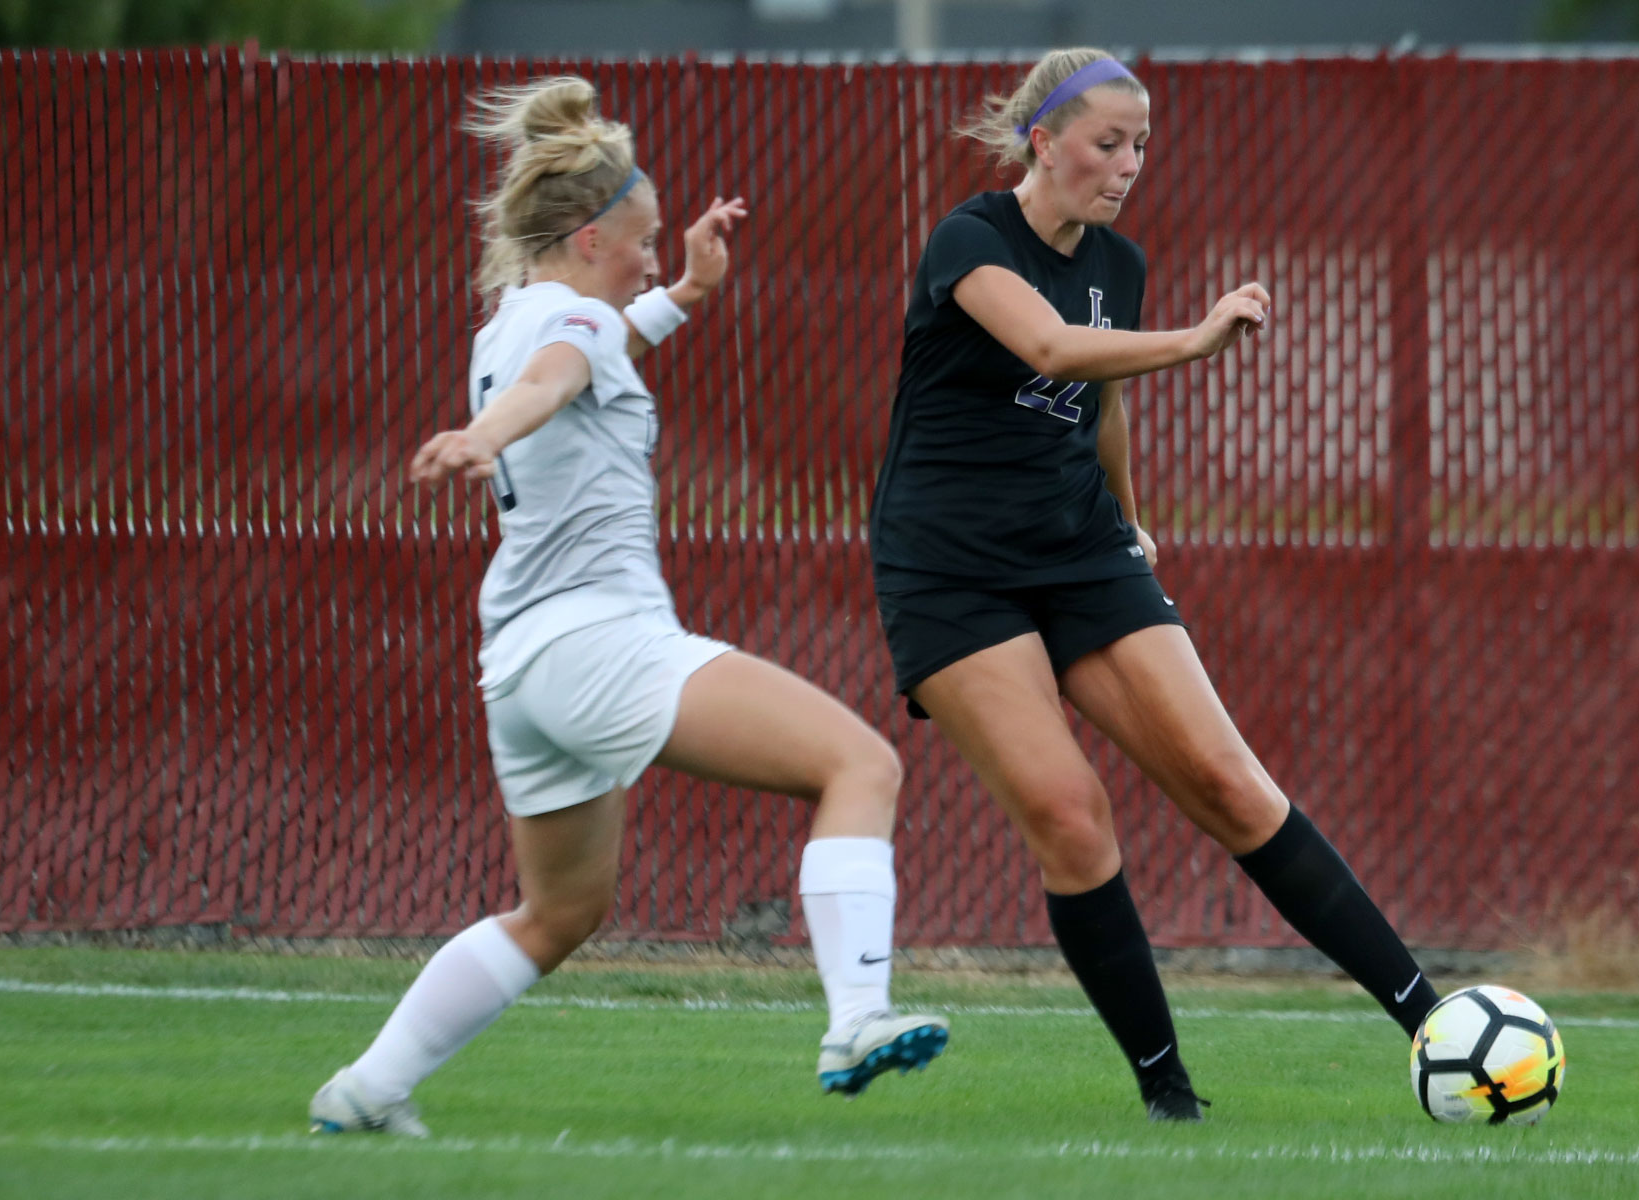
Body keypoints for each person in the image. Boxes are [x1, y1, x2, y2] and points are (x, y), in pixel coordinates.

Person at [309, 76, 946, 1138]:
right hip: (599, 642)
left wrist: (687, 293)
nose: (654, 257)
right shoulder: (559, 329)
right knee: (861, 765)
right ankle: (858, 1020)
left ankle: (367, 1088)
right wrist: (487, 436)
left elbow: (587, 356)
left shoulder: (515, 318)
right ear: (593, 234)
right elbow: (558, 378)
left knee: (559, 910)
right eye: (645, 242)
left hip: (521, 661)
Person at [868, 48, 1438, 1122]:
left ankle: (1439, 1027)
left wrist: (1128, 518)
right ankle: (1169, 1095)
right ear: (1044, 141)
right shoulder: (970, 239)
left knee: (1231, 784)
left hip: (1080, 545)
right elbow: (1051, 345)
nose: (1129, 164)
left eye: (1141, 145)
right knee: (1071, 814)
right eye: (1108, 142)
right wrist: (1201, 336)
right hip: (950, 567)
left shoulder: (1116, 262)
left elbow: (1098, 397)